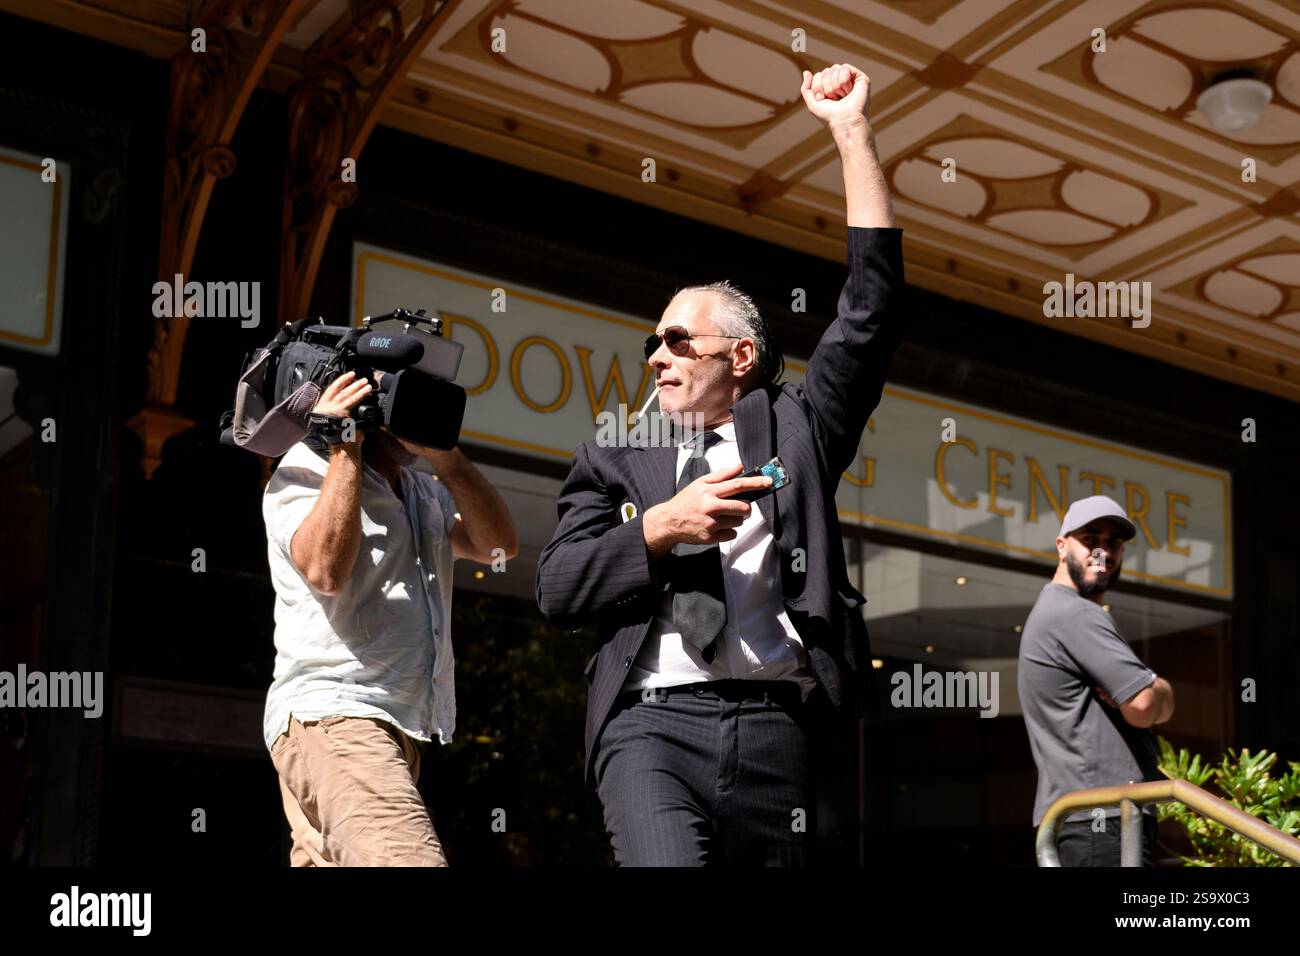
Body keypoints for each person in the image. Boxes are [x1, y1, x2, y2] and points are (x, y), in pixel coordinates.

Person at [536, 63, 904, 865]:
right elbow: (558, 589)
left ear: (741, 355)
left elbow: (871, 308)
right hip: (651, 725)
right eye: (651, 344)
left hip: (783, 729)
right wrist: (661, 530)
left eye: (677, 341)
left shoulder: (801, 425)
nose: (656, 358)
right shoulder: (614, 451)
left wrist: (850, 132)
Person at [262, 370, 517, 866]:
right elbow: (324, 571)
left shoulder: (424, 491)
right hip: (337, 715)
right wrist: (344, 446)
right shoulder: (305, 469)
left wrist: (447, 455)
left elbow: (499, 548)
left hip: (392, 728)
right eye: (398, 396)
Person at [1018, 495, 1176, 867]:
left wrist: (1154, 690)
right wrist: (1157, 688)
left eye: (1113, 542)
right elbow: (1143, 707)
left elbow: (1149, 702)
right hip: (1100, 820)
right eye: (1090, 538)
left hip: (1090, 820)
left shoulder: (1060, 611)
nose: (1102, 550)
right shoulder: (1074, 613)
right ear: (1061, 546)